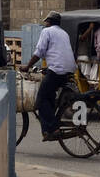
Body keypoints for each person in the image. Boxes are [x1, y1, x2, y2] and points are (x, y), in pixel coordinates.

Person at [21, 11, 77, 140]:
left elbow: (39, 51)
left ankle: (52, 128)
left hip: (57, 70)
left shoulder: (47, 32)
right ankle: (48, 127)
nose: (45, 24)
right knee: (50, 96)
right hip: (68, 69)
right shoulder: (64, 33)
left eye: (46, 22)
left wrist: (27, 66)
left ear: (49, 22)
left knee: (40, 99)